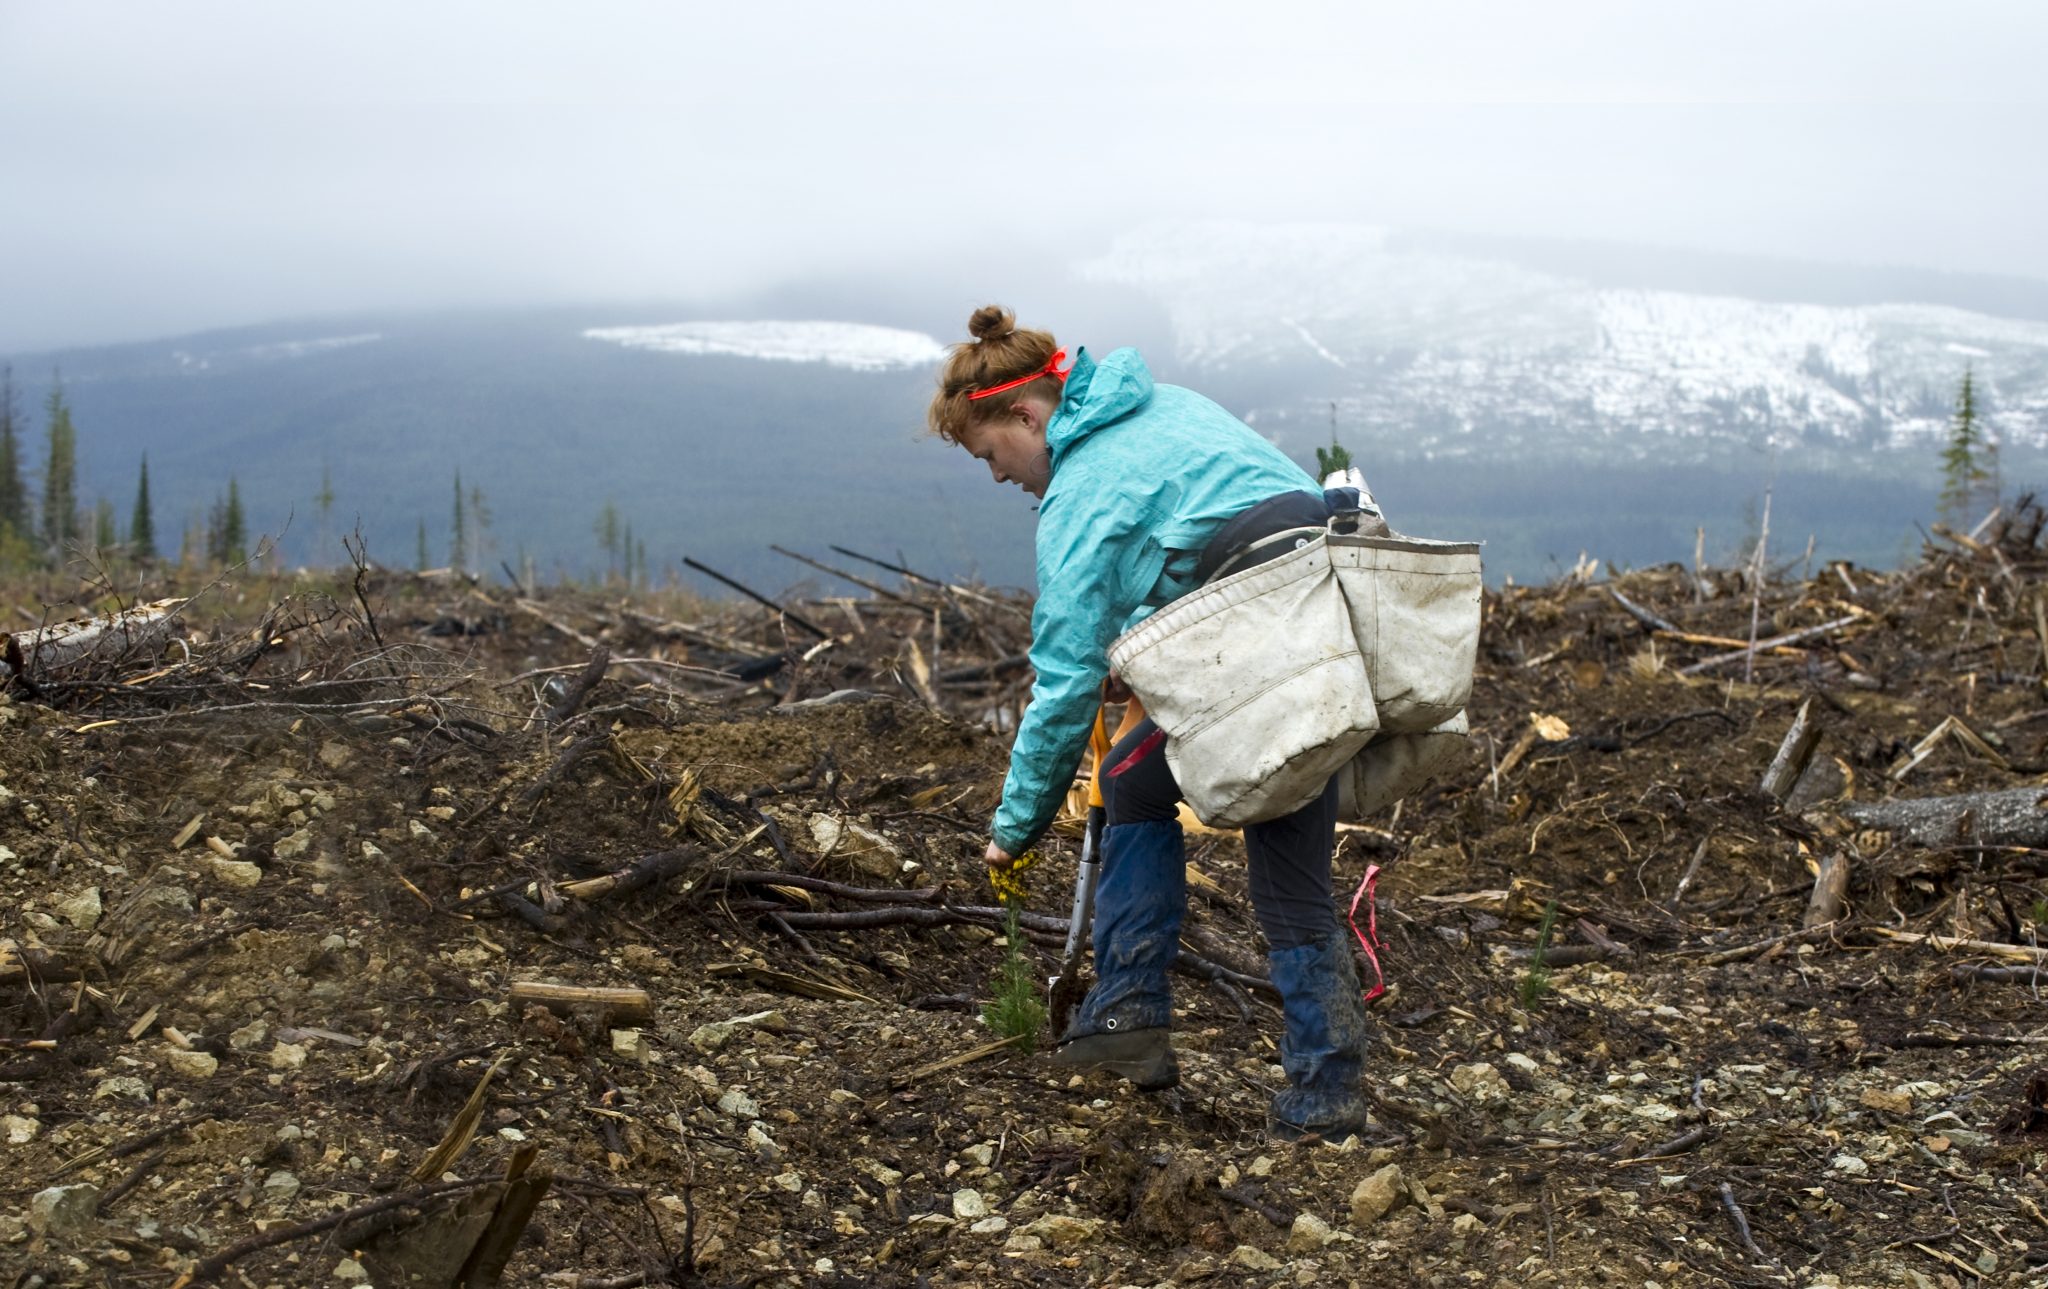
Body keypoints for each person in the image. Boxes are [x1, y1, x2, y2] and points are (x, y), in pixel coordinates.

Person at [927, 304, 1372, 1141]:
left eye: (992, 453)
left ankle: (1129, 1015)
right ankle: (1329, 1089)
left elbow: (1062, 687)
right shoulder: (1167, 405)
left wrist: (1013, 829)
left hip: (1261, 636)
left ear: (1025, 414)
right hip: (1324, 631)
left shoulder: (1081, 491)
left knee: (1128, 782)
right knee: (1290, 868)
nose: (996, 475)